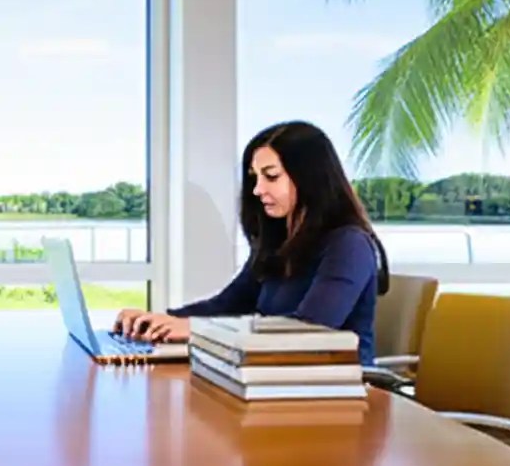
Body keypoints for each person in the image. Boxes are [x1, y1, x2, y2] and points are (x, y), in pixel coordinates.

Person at [114, 120, 389, 365]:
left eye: (271, 177)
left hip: (340, 395)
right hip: (276, 380)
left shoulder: (349, 245)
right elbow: (227, 305)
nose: (258, 190)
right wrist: (161, 321)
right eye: (255, 178)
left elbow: (311, 332)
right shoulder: (278, 243)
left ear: (310, 177)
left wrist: (196, 329)